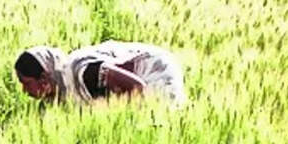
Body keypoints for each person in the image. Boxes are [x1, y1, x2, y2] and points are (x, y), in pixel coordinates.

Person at [14, 41, 187, 106]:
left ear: (44, 78)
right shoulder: (58, 93)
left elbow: (138, 87)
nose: (24, 90)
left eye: (27, 83)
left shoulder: (84, 73)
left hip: (155, 72)